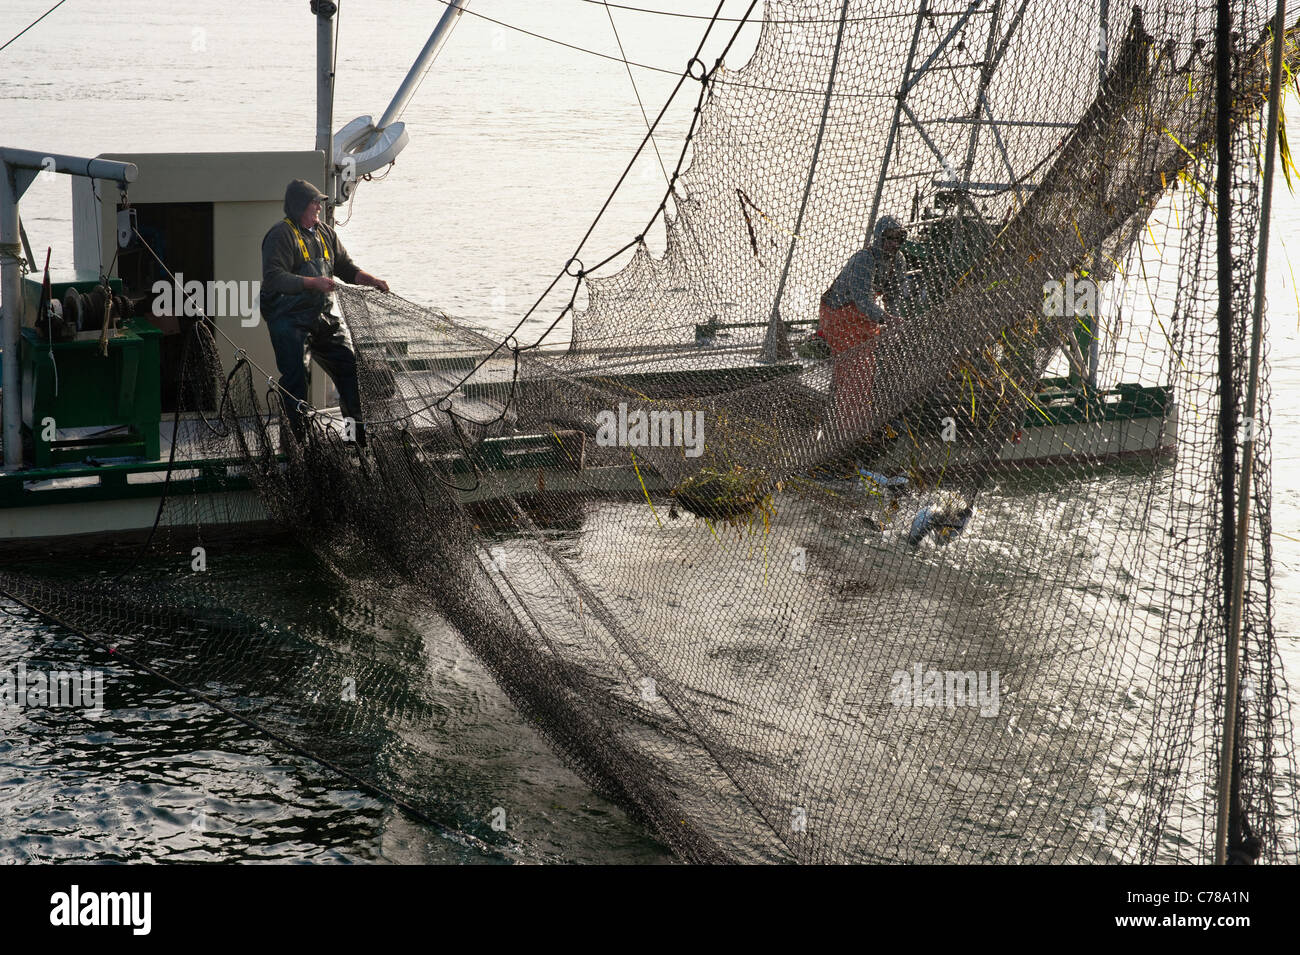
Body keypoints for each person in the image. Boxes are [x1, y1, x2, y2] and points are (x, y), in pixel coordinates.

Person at [260, 179, 389, 446]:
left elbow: (345, 267)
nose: (319, 206)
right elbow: (274, 278)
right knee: (296, 381)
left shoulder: (326, 233)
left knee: (351, 371)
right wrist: (312, 283)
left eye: (320, 202)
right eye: (314, 202)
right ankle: (295, 447)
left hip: (324, 318)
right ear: (298, 207)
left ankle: (355, 439)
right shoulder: (280, 235)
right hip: (289, 320)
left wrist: (371, 279)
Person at [818, 215, 909, 431]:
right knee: (854, 368)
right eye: (889, 238)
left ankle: (857, 417)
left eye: (899, 239)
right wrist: (887, 319)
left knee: (867, 366)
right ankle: (846, 425)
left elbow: (893, 297)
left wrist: (894, 321)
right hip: (838, 314)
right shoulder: (864, 260)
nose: (894, 244)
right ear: (879, 237)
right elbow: (862, 299)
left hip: (863, 318)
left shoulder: (898, 260)